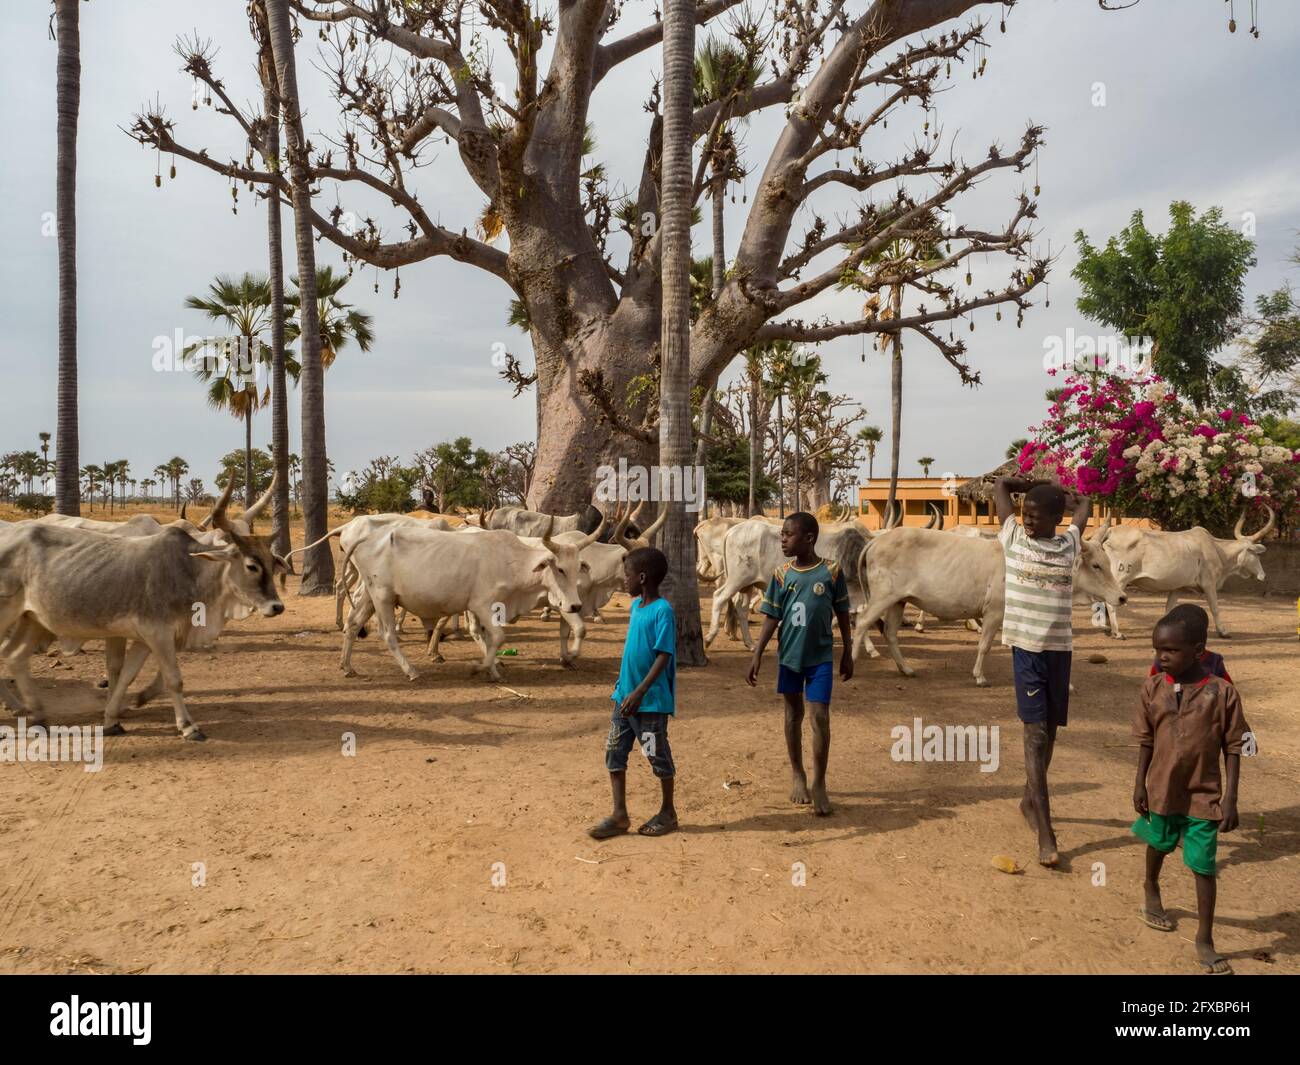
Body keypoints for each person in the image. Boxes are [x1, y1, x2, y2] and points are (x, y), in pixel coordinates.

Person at [1133, 604, 1248, 975]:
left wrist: (1230, 797)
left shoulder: (1223, 694)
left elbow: (1234, 746)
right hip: (1162, 789)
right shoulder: (1152, 688)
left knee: (1203, 865)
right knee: (1159, 843)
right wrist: (1139, 784)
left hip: (1204, 794)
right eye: (1157, 649)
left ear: (1199, 651)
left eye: (1170, 650)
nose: (1161, 657)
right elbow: (1146, 740)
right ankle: (1151, 886)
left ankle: (1205, 938)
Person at [993, 476, 1091, 867]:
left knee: (1050, 730)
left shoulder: (1069, 544)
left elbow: (1083, 508)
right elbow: (1002, 486)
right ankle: (1046, 833)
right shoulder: (1013, 539)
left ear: (1056, 518)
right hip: (1027, 650)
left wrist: (1071, 497)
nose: (1028, 520)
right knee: (1034, 734)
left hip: (1059, 650)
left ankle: (1029, 800)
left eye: (1036, 515)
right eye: (1025, 513)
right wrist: (1036, 483)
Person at [746, 511, 853, 816]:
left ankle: (819, 782)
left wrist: (847, 650)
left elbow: (843, 613)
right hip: (789, 659)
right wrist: (757, 653)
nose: (782, 539)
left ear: (809, 538)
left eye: (788, 535)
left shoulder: (831, 572)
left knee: (820, 718)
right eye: (781, 534)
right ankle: (798, 774)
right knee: (793, 715)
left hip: (819, 659)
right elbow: (771, 618)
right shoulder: (781, 575)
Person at [588, 546, 678, 839]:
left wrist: (639, 692)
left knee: (656, 754)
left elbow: (663, 656)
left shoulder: (662, 610)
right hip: (623, 700)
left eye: (626, 575)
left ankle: (668, 812)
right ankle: (619, 814)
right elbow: (632, 654)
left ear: (641, 577)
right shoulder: (636, 607)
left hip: (649, 703)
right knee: (614, 752)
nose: (623, 580)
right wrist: (623, 689)